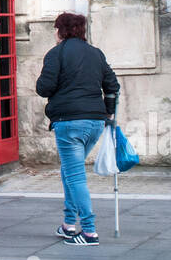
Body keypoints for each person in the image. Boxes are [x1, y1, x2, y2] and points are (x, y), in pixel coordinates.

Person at [35, 12, 119, 246]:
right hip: (94, 122)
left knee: (74, 176)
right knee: (70, 172)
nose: (54, 33)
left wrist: (43, 81)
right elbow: (112, 85)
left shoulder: (56, 53)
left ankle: (89, 231)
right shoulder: (96, 53)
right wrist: (109, 111)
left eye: (55, 28)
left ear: (62, 30)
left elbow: (44, 87)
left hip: (69, 122)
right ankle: (69, 224)